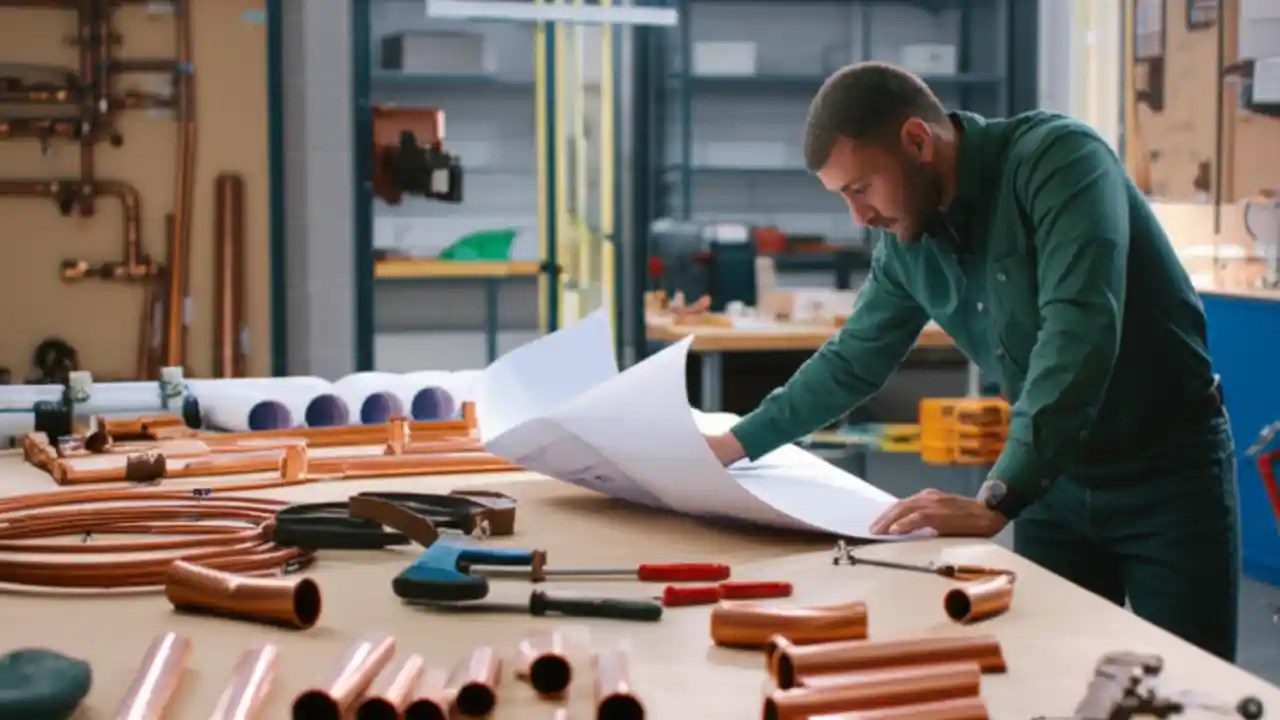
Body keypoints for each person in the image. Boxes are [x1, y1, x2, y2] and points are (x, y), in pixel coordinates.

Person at [703, 62, 1240, 661]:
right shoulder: (908, 239)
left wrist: (998, 498)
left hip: (1165, 473)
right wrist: (728, 447)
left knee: (1195, 690)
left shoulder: (1060, 162)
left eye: (860, 189)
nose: (859, 218)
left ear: (916, 141)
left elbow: (1078, 329)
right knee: (1052, 676)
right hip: (1053, 483)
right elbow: (851, 361)